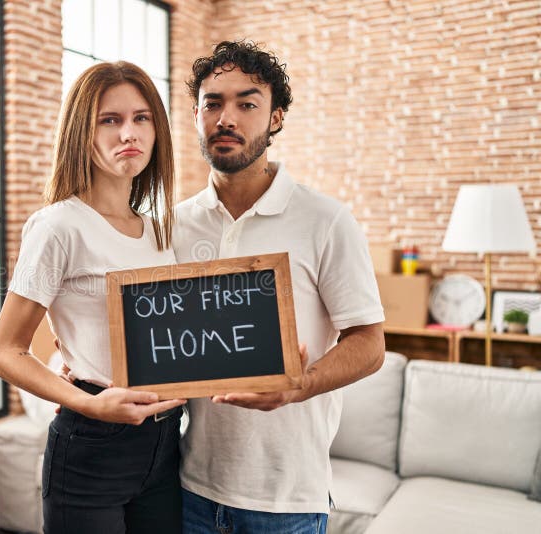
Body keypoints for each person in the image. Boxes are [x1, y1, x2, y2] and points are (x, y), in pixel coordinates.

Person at [173, 40, 386, 533]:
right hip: (186, 489)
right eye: (212, 103)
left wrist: (298, 386)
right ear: (196, 115)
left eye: (247, 104)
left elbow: (370, 344)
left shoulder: (326, 220)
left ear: (276, 118)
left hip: (288, 502)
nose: (227, 118)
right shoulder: (173, 224)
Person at [0, 62, 185, 534]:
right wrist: (89, 404)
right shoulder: (58, 226)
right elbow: (5, 351)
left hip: (166, 443)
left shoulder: (159, 231)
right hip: (94, 445)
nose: (128, 133)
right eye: (109, 120)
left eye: (141, 118)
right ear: (83, 132)